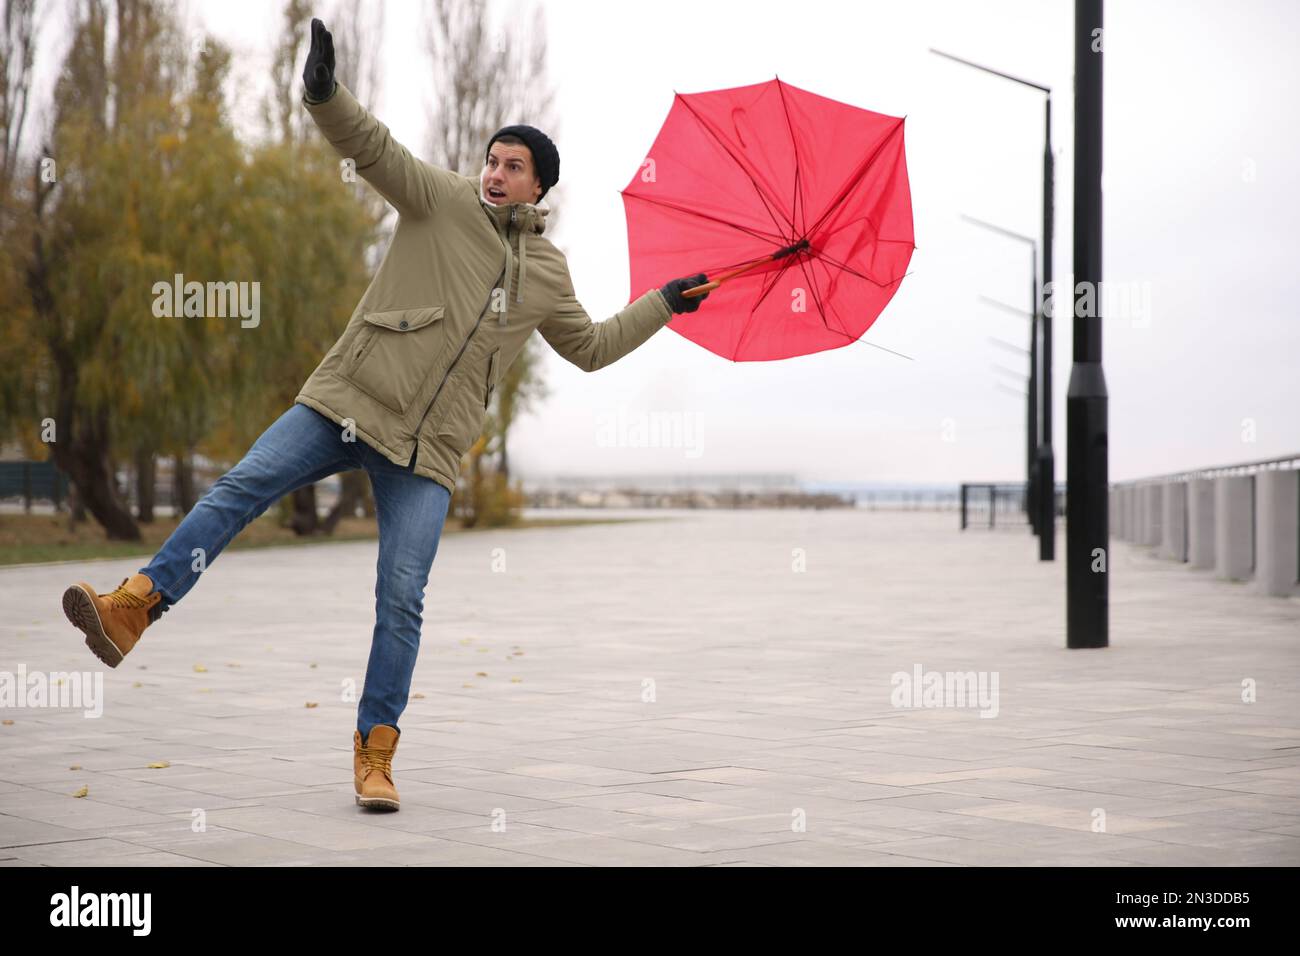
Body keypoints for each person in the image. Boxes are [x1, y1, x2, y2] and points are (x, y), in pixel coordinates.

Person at [59, 17, 710, 813]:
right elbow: (373, 149)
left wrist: (665, 304)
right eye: (491, 159)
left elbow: (593, 346)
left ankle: (376, 755)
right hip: (347, 402)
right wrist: (324, 93)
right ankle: (134, 606)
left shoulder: (547, 272)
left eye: (514, 166)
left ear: (541, 186)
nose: (495, 173)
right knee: (241, 487)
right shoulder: (439, 200)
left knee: (401, 597)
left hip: (428, 454)